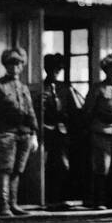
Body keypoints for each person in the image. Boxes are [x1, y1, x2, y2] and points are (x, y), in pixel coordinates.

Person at [0, 47, 39, 219]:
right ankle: (4, 205)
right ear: (5, 66)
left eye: (18, 65)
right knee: (5, 169)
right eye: (11, 65)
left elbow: (30, 111)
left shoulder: (23, 88)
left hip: (24, 134)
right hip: (6, 133)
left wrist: (34, 134)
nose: (15, 68)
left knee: (17, 170)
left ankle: (14, 204)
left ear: (22, 67)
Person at [83, 52, 112, 210]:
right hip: (102, 130)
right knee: (102, 166)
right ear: (105, 71)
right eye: (110, 69)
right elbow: (88, 110)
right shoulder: (98, 88)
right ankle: (99, 200)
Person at [42, 53, 82, 210]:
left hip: (62, 133)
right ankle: (46, 199)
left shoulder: (64, 87)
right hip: (46, 132)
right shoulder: (41, 87)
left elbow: (73, 109)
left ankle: (60, 198)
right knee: (45, 166)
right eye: (52, 69)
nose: (54, 73)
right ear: (46, 69)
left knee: (63, 165)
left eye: (57, 70)